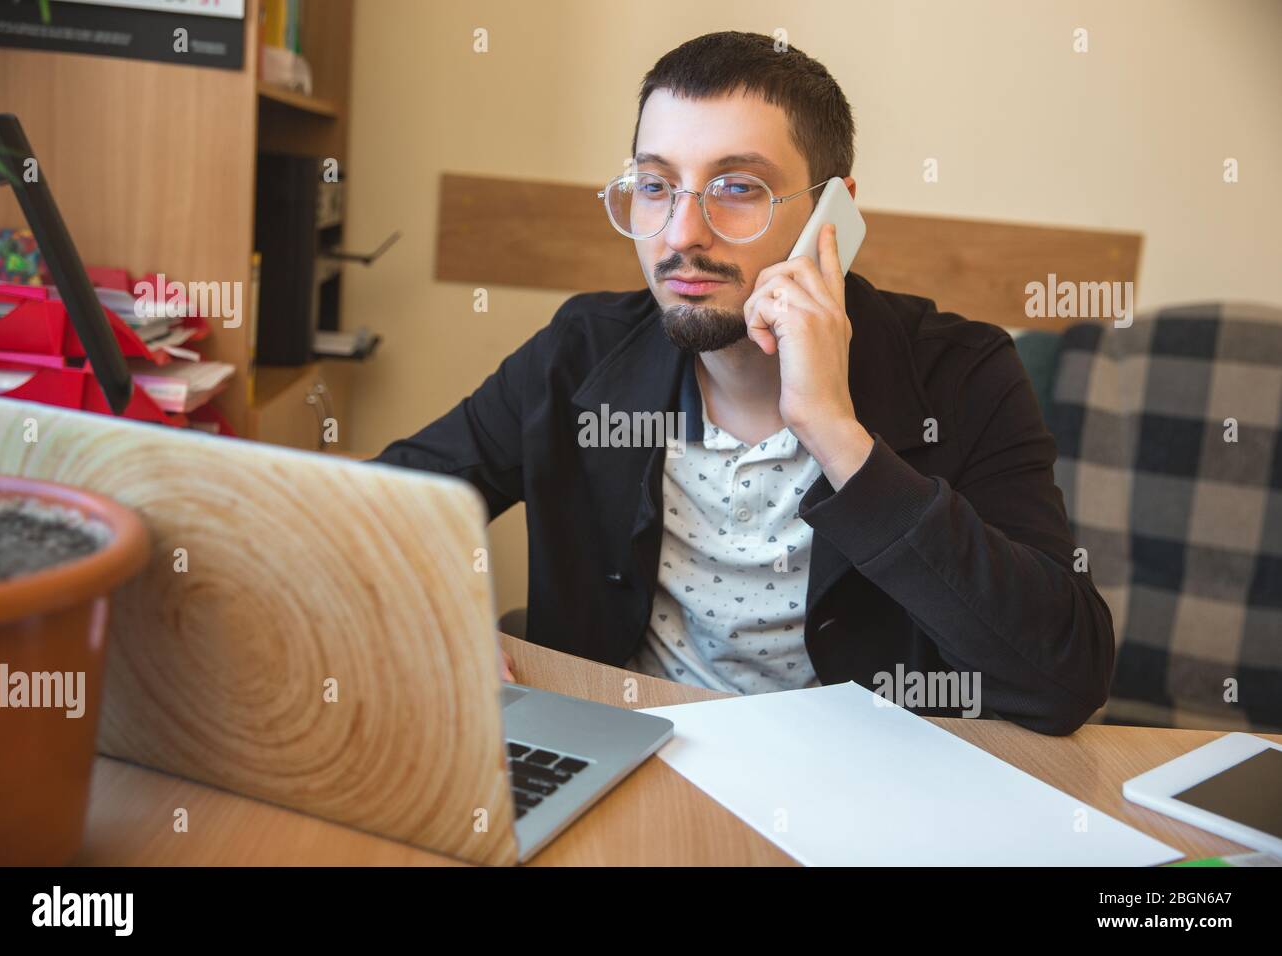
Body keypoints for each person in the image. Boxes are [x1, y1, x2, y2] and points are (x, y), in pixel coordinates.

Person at [375, 31, 1114, 735]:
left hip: (857, 800)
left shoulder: (963, 374)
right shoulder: (581, 352)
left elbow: (1061, 681)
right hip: (626, 761)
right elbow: (382, 509)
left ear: (836, 211)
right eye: (656, 185)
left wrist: (836, 434)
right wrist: (442, 612)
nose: (679, 234)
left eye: (736, 187)